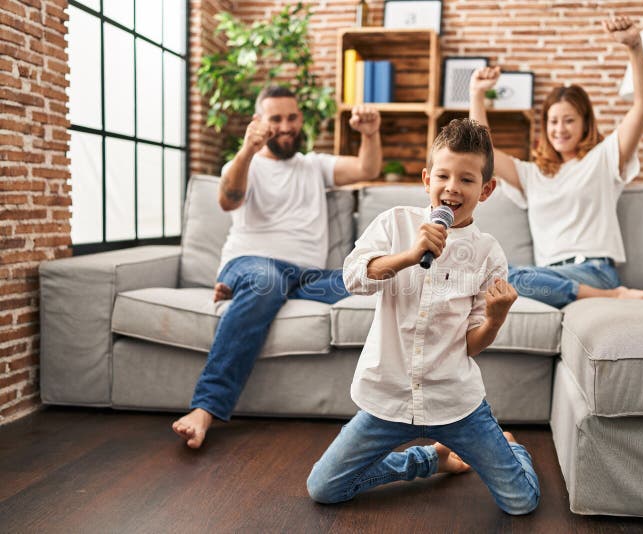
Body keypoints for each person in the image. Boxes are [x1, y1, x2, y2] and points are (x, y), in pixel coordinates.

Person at [306, 119, 541, 515]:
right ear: (426, 178)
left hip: (455, 403)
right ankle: (431, 459)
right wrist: (408, 257)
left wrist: (496, 318)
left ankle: (511, 447)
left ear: (485, 190)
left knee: (522, 503)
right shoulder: (395, 223)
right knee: (324, 487)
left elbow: (471, 345)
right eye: (444, 176)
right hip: (390, 398)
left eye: (466, 180)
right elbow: (352, 278)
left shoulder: (488, 253)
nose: (452, 187)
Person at [172, 86, 383, 448]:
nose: (285, 126)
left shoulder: (313, 166)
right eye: (275, 119)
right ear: (259, 123)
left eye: (292, 118)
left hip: (307, 277)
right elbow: (227, 200)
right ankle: (205, 408)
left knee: (374, 275)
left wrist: (370, 133)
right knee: (267, 281)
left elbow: (368, 167)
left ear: (300, 119)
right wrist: (247, 150)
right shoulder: (244, 165)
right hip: (252, 265)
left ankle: (490, 276)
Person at [469, 16, 643, 308]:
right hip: (550, 276)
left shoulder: (604, 159)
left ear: (585, 124)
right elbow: (483, 151)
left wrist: (634, 47)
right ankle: (604, 297)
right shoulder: (531, 174)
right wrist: (476, 94)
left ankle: (612, 293)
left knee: (513, 278)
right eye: (553, 121)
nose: (560, 129)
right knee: (496, 277)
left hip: (594, 271)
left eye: (569, 120)